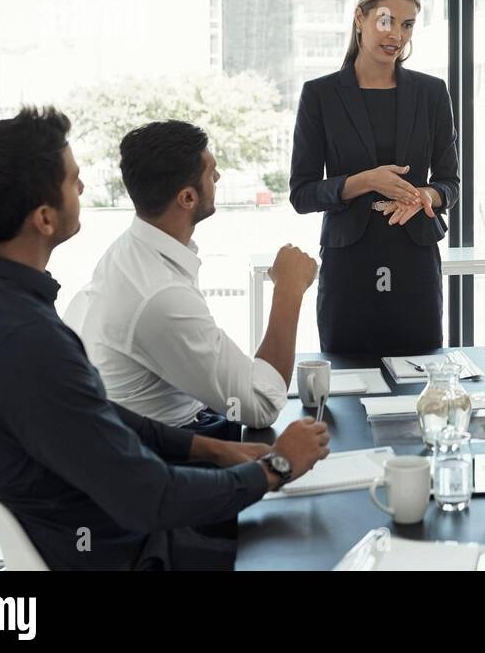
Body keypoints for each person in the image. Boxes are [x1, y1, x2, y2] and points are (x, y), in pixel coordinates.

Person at [0, 107, 328, 569]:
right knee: (313, 536)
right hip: (128, 549)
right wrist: (276, 469)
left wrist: (211, 448)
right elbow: (151, 498)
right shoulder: (26, 341)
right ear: (43, 218)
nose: (81, 188)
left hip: (90, 520)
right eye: (72, 180)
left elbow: (90, 410)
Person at [65, 120, 317, 435]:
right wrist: (289, 291)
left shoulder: (129, 250)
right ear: (187, 198)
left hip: (175, 426)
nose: (218, 176)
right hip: (172, 453)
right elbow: (261, 406)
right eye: (211, 172)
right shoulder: (161, 295)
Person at [289, 0, 460, 359]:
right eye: (385, 20)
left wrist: (424, 195)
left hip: (414, 261)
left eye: (407, 24)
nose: (395, 35)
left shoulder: (432, 94)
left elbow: (450, 182)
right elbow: (302, 193)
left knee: (419, 384)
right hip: (349, 264)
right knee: (348, 385)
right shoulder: (320, 96)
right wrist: (365, 181)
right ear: (360, 17)